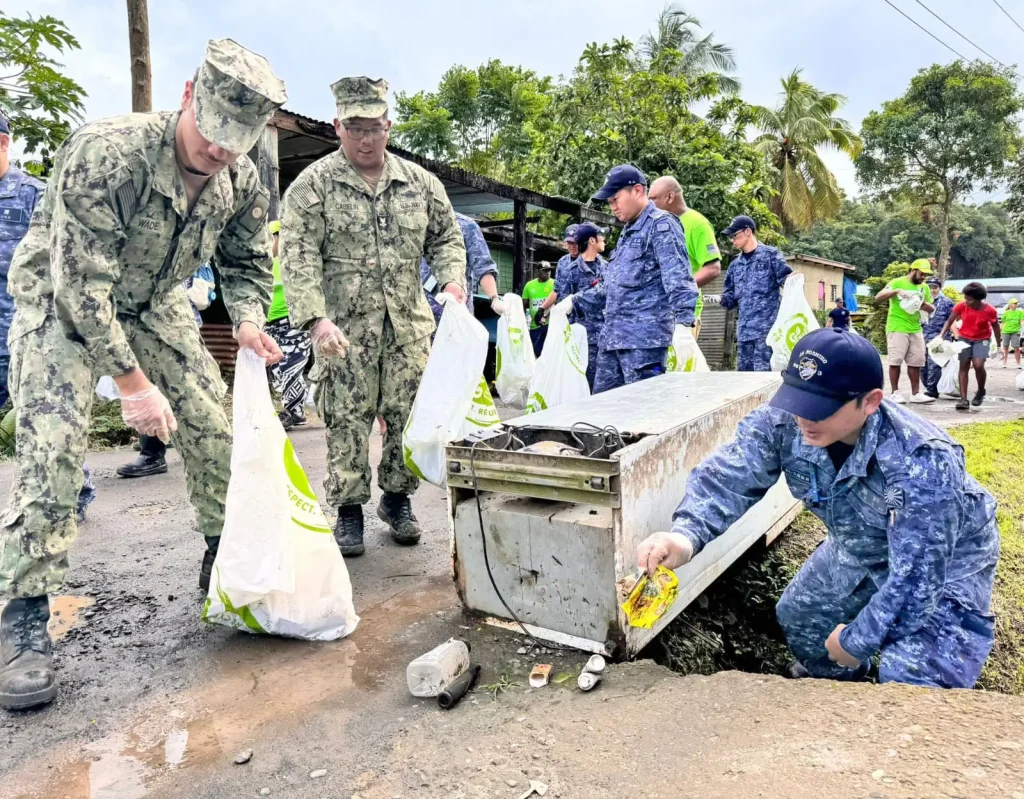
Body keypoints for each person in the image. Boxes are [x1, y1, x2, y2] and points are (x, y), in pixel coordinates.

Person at [0, 40, 287, 711]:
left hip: (155, 302)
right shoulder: (106, 152)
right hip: (61, 306)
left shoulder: (241, 178)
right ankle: (23, 621)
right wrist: (132, 386)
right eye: (214, 134)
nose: (219, 153)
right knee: (54, 455)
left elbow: (247, 263)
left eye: (236, 143)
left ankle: (224, 568)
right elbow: (79, 283)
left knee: (214, 429)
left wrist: (245, 319)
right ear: (189, 96)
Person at [637, 327, 999, 689]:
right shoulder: (784, 419)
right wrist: (684, 537)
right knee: (802, 619)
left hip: (947, 563)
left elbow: (917, 580)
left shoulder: (922, 461)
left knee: (914, 681)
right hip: (860, 541)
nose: (805, 419)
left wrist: (855, 641)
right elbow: (731, 475)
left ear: (870, 402)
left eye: (821, 407)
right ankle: (839, 692)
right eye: (799, 401)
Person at [281, 76, 466, 559]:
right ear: (338, 126)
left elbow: (447, 237)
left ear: (389, 125)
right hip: (341, 333)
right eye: (356, 128)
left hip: (407, 328)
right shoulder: (312, 186)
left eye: (375, 128)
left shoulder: (419, 183)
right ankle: (347, 511)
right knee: (346, 422)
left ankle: (397, 500)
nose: (366, 139)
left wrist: (451, 281)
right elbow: (297, 255)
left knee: (408, 418)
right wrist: (315, 320)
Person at [0, 117, 96, 523]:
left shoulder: (33, 196)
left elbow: (68, 263)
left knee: (43, 418)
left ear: (4, 142)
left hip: (24, 330)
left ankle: (74, 491)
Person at [570, 165, 697, 394]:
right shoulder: (628, 233)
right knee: (603, 415)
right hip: (612, 341)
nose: (613, 207)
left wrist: (684, 324)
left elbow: (678, 278)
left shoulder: (661, 225)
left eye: (616, 199)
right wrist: (574, 302)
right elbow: (611, 286)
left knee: (643, 416)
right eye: (610, 202)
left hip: (644, 344)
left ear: (638, 190)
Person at [714, 215, 791, 372]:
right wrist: (718, 299)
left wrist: (795, 281)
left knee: (765, 380)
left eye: (735, 235)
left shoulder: (771, 256)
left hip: (767, 334)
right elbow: (731, 298)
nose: (732, 240)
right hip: (744, 335)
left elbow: (789, 283)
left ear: (748, 231)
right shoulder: (735, 265)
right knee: (744, 381)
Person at [649, 176, 722, 340]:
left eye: (653, 199)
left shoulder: (697, 224)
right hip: (656, 313)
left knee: (680, 365)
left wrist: (677, 288)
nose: (649, 204)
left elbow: (713, 268)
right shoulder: (655, 223)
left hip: (683, 314)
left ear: (669, 197)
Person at [264, 220, 313, 430]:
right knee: (279, 369)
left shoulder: (294, 264)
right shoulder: (265, 266)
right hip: (271, 324)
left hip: (293, 323)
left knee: (290, 368)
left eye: (272, 238)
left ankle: (293, 411)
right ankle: (297, 411)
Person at [421, 212, 505, 323]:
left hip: (454, 318)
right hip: (417, 320)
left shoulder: (465, 225)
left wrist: (494, 299)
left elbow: (483, 266)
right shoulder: (410, 224)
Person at [874, 258, 936, 404]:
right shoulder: (897, 282)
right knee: (895, 360)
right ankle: (895, 392)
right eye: (921, 274)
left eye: (925, 275)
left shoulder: (924, 288)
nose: (923, 277)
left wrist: (923, 305)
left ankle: (916, 393)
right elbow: (878, 297)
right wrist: (896, 291)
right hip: (897, 326)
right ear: (913, 270)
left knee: (916, 361)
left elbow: (932, 308)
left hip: (915, 327)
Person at [554, 223, 607, 388]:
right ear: (592, 241)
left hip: (607, 337)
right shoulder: (571, 270)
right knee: (583, 384)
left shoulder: (606, 268)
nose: (604, 240)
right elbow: (563, 305)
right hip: (583, 339)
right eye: (601, 236)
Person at [938, 282, 1001, 410]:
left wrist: (998, 345)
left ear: (979, 299)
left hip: (982, 339)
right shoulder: (961, 306)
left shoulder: (990, 310)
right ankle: (963, 400)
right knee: (964, 365)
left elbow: (996, 326)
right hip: (965, 338)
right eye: (965, 298)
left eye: (969, 299)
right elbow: (950, 320)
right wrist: (941, 335)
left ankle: (981, 391)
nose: (965, 301)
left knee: (978, 365)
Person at [537, 224, 580, 321]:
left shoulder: (589, 262)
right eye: (569, 243)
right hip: (563, 317)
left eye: (575, 243)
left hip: (581, 318)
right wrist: (542, 308)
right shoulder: (562, 262)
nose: (572, 246)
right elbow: (556, 290)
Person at [922, 276, 954, 399]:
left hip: (939, 338)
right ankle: (928, 387)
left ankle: (932, 389)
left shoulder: (946, 302)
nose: (932, 290)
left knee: (934, 364)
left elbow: (952, 320)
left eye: (935, 287)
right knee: (922, 365)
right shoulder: (920, 301)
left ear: (940, 288)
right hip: (922, 336)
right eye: (929, 287)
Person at [521, 261, 555, 357]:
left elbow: (556, 302)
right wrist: (522, 323)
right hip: (535, 326)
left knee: (549, 355)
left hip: (550, 325)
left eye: (549, 270)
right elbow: (523, 305)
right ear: (538, 272)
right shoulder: (529, 285)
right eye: (545, 270)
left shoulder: (554, 284)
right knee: (535, 355)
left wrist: (545, 315)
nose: (548, 272)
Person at [1000, 297, 1022, 369]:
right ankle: (1004, 362)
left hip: (1015, 331)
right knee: (1005, 347)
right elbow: (1003, 322)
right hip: (1005, 331)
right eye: (1014, 303)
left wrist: (1022, 329)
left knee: (1017, 348)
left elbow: (1022, 321)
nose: (1016, 304)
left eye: (1016, 303)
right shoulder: (1006, 313)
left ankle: (1018, 364)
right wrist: (1001, 331)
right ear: (1010, 304)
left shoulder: (1020, 312)